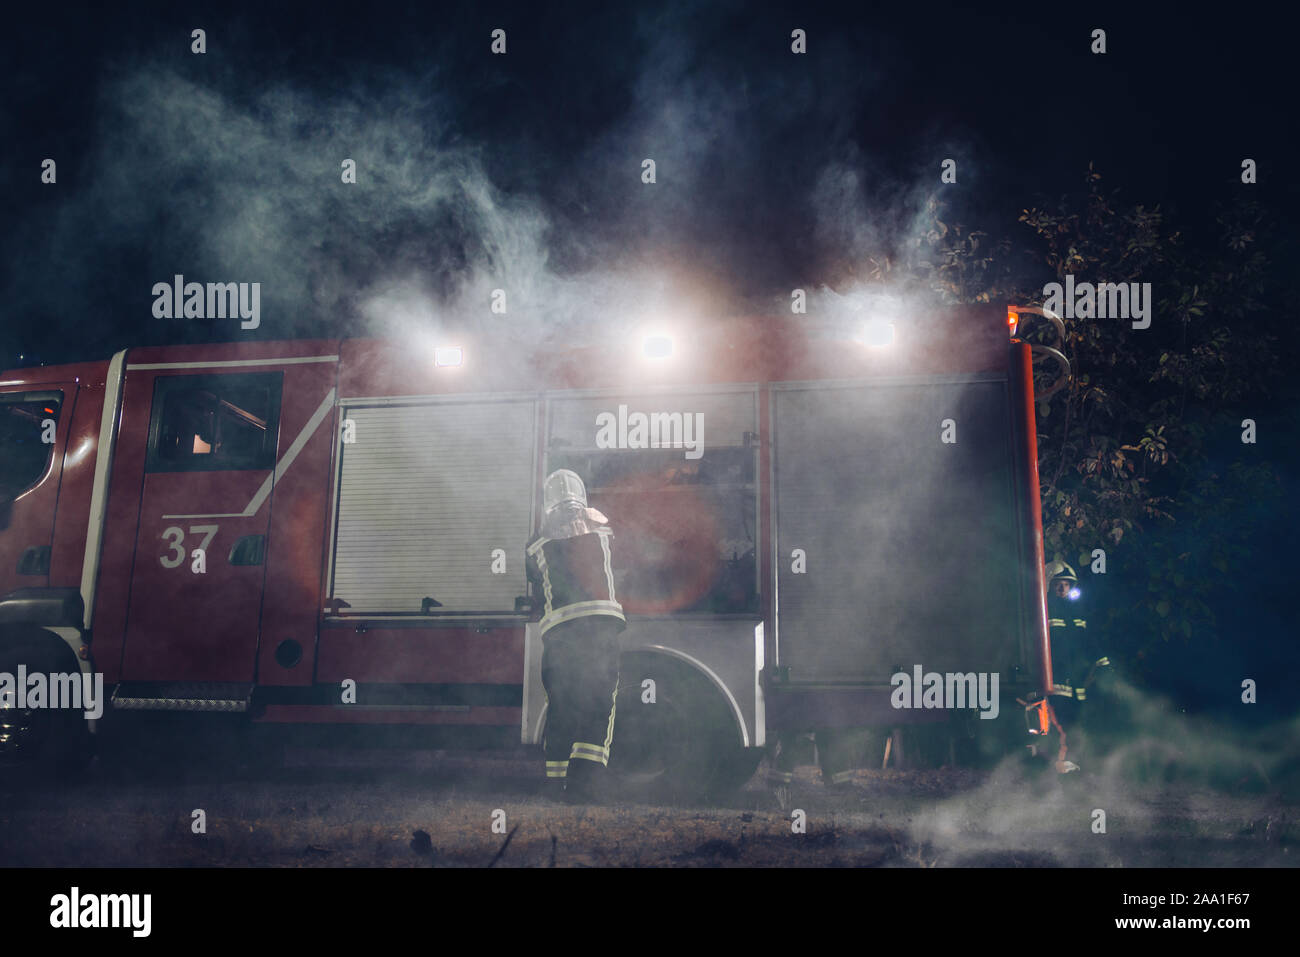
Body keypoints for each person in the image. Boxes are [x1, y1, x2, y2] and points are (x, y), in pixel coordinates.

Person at [525, 469, 626, 803]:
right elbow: (630, 560)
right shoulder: (605, 533)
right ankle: (587, 785)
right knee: (599, 703)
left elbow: (536, 581)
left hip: (560, 637)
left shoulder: (536, 545)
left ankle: (554, 784)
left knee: (562, 705)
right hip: (600, 630)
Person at [1043, 560, 1109, 773]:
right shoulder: (1043, 610)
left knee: (1076, 723)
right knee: (1058, 724)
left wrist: (1103, 663)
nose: (1063, 589)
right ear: (1049, 585)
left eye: (1067, 584)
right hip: (1056, 679)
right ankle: (1057, 763)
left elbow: (1089, 641)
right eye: (1058, 584)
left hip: (1076, 681)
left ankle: (1074, 762)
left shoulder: (1076, 613)